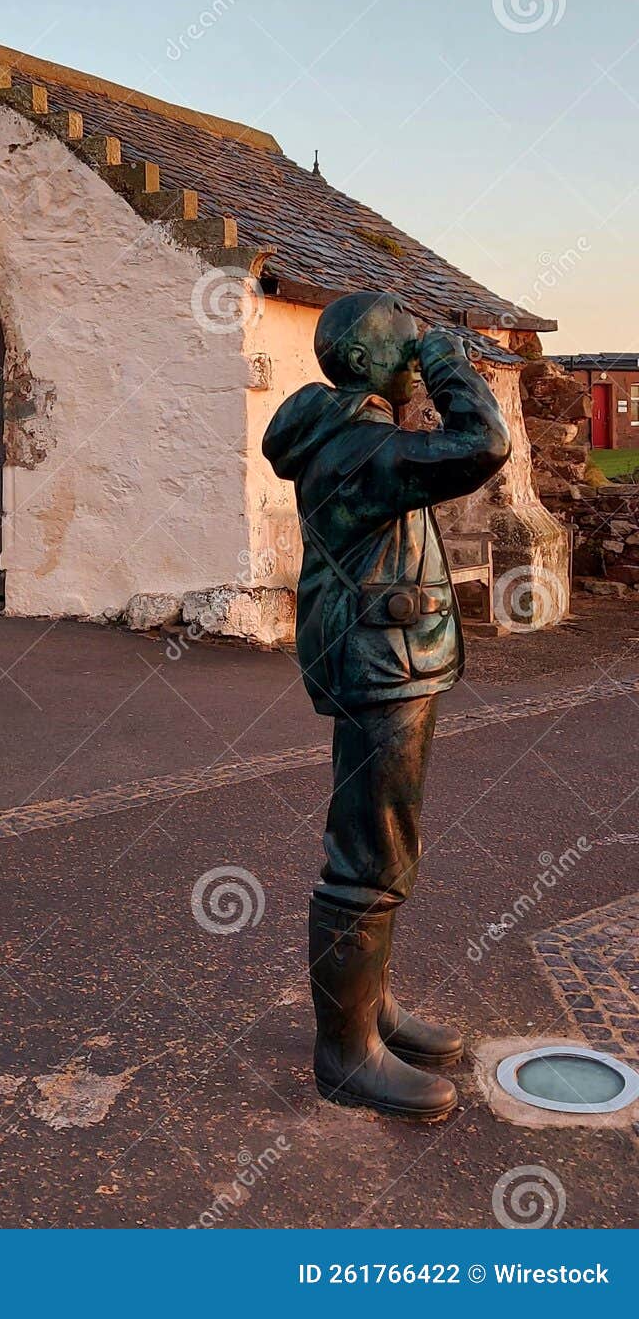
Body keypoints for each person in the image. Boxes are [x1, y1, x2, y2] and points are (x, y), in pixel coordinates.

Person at [262, 290, 510, 1121]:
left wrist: (426, 360)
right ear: (368, 366)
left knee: (384, 839)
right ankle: (345, 1054)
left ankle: (372, 1011)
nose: (418, 358)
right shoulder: (363, 451)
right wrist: (449, 364)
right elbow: (483, 443)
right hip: (380, 661)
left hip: (387, 655)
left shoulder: (349, 437)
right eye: (405, 348)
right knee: (370, 846)